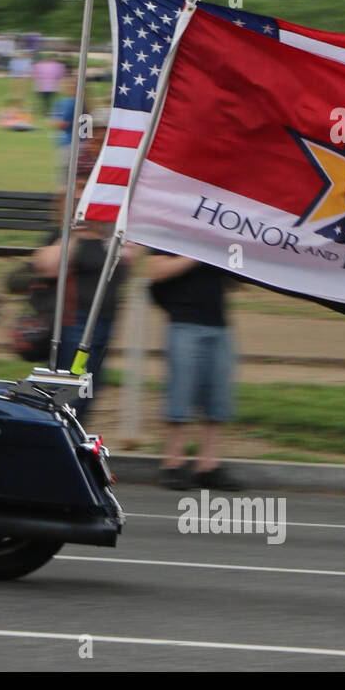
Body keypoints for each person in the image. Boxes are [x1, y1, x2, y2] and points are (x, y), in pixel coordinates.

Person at [32, 114, 131, 419]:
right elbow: (47, 265)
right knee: (67, 402)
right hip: (73, 327)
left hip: (103, 325)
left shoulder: (110, 234)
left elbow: (128, 261)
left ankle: (73, 450)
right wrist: (75, 227)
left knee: (87, 399)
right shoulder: (64, 232)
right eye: (79, 190)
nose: (85, 195)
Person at [150, 248, 241, 491]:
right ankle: (173, 463)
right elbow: (158, 271)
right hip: (183, 322)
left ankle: (207, 466)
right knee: (180, 394)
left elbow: (239, 276)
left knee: (217, 398)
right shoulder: (171, 230)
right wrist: (200, 250)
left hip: (218, 323)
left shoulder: (220, 232)